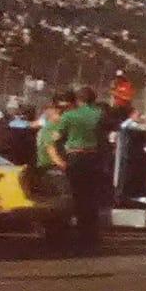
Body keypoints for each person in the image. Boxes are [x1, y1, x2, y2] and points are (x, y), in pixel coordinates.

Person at [53, 87, 106, 251]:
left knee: (75, 194)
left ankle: (72, 232)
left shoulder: (69, 116)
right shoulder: (100, 114)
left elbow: (56, 138)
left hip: (75, 157)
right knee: (91, 196)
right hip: (93, 157)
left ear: (78, 100)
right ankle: (90, 234)